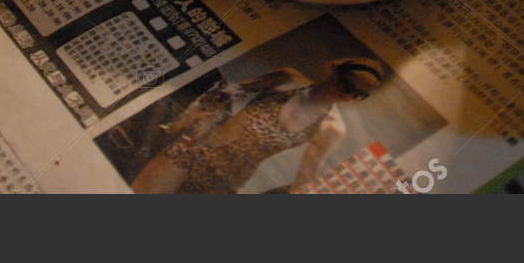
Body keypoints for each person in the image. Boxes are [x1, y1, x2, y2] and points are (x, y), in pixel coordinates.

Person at [131, 58, 389, 193]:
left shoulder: (332, 128)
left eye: (360, 95)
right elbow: (231, 90)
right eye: (348, 85)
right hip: (191, 152)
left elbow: (304, 179)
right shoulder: (289, 79)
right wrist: (196, 118)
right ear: (335, 71)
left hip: (224, 182)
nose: (349, 95)